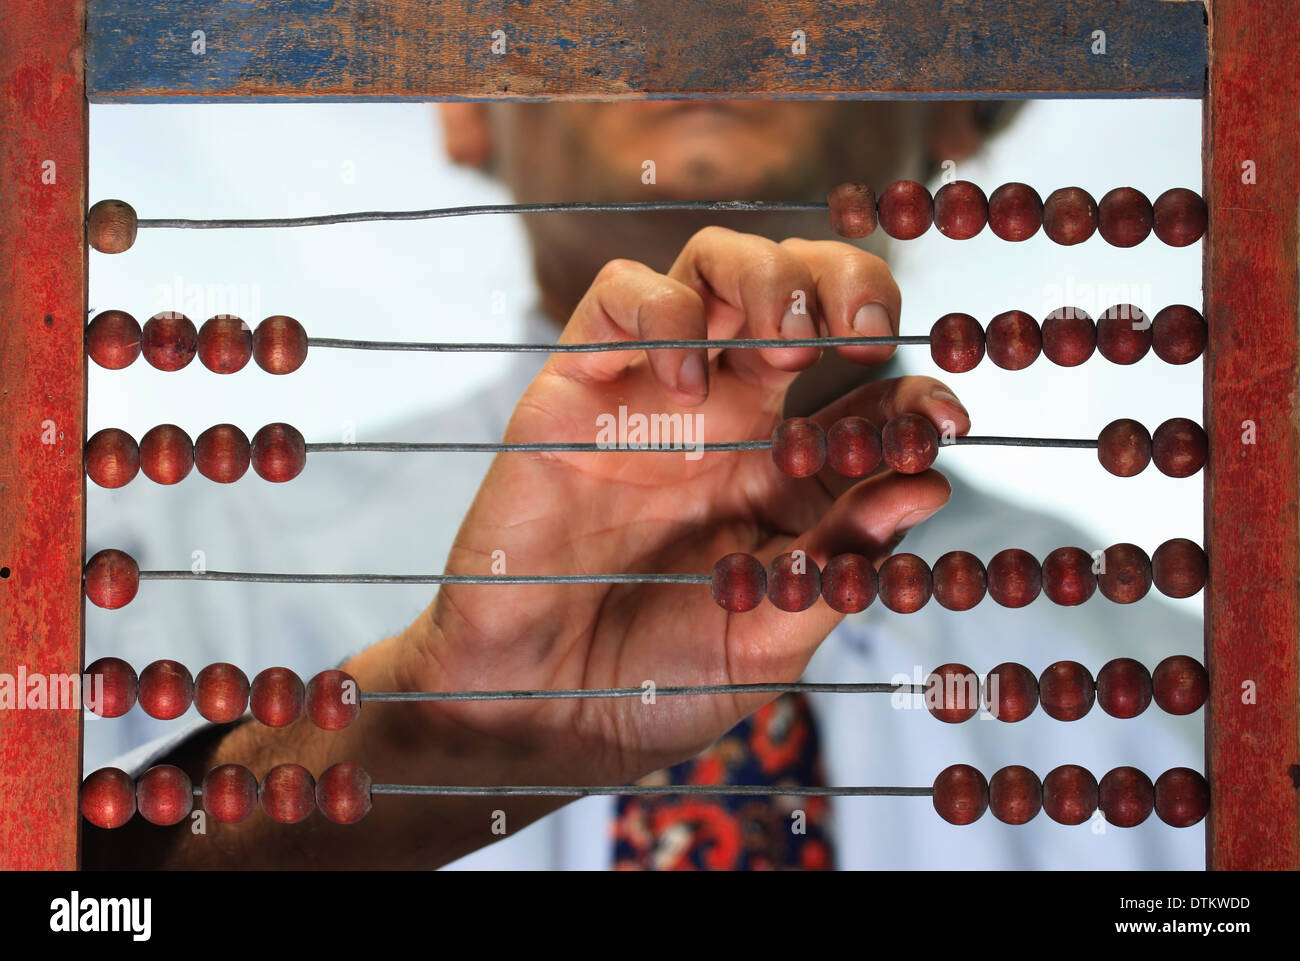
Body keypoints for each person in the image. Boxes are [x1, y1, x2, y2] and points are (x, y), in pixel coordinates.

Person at [83, 100, 1202, 870]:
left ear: (952, 110)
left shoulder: (1185, 710)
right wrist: (407, 743)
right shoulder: (121, 602)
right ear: (469, 109)